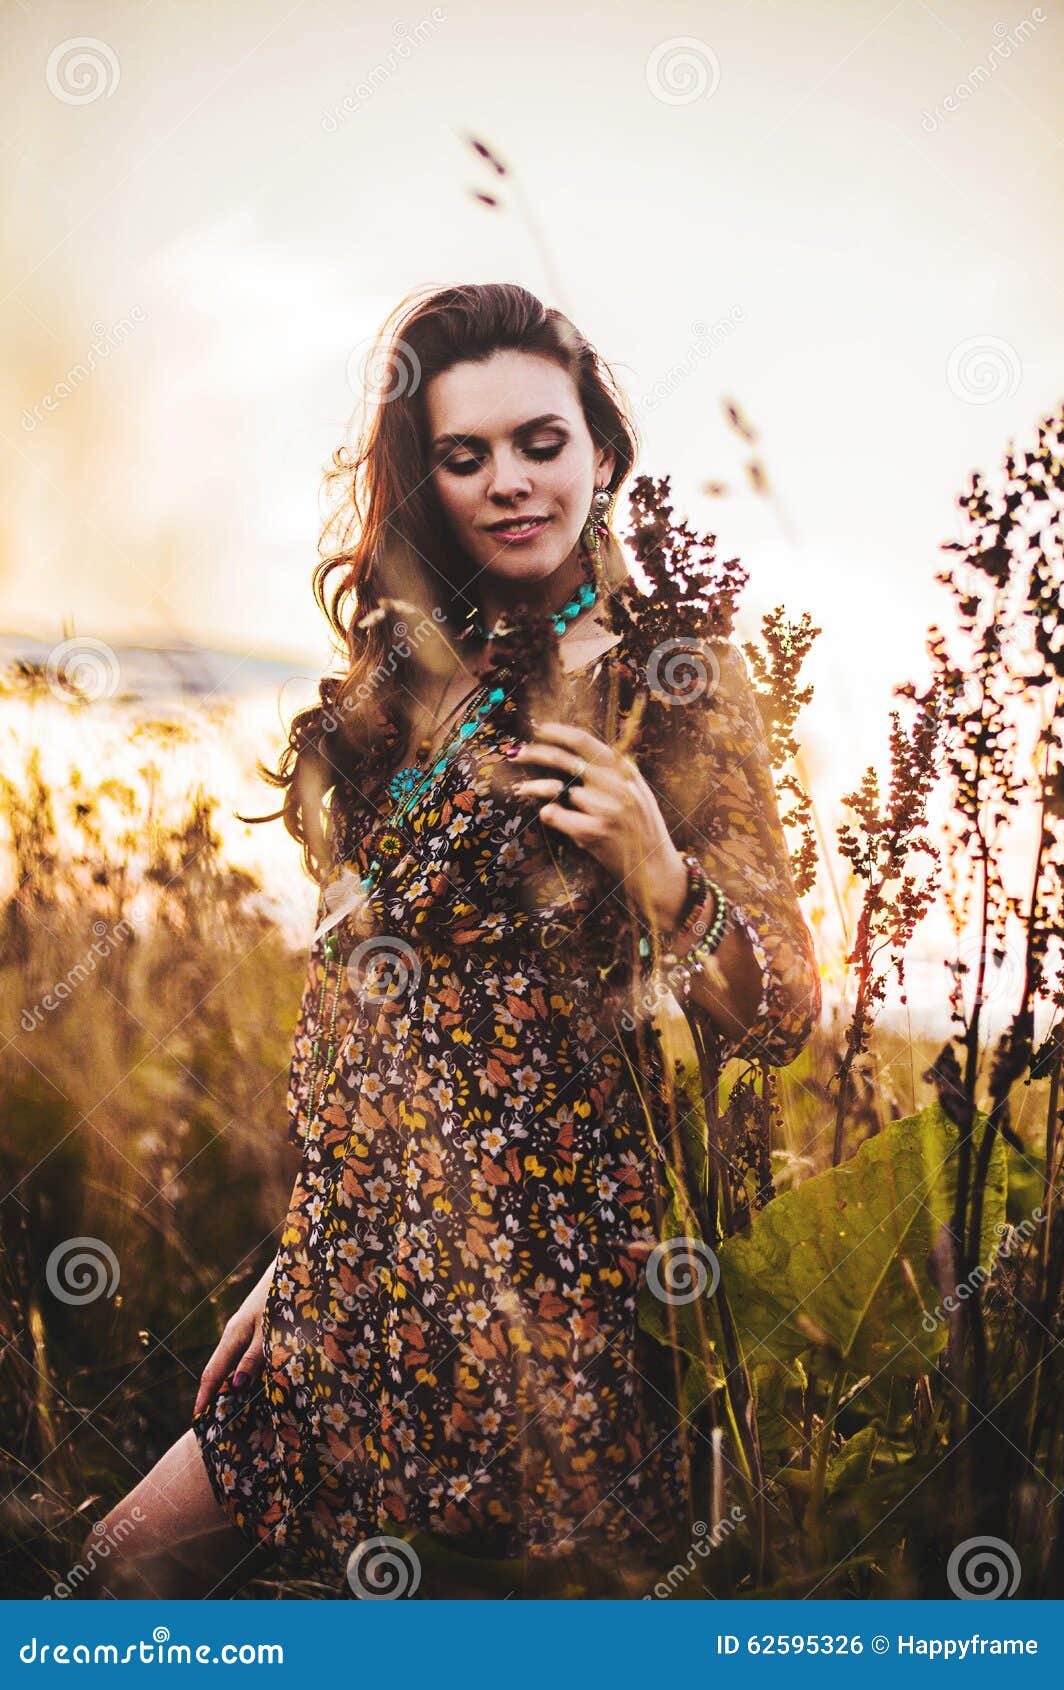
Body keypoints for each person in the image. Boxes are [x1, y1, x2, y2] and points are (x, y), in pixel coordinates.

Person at [76, 282, 820, 1600]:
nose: (510, 482)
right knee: (114, 1572)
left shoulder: (673, 678)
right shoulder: (406, 680)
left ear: (599, 444)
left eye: (541, 440)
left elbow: (781, 1008)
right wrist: (302, 1256)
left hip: (555, 1296)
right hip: (360, 1274)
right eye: (465, 454)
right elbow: (365, 1017)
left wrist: (661, 869)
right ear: (426, 477)